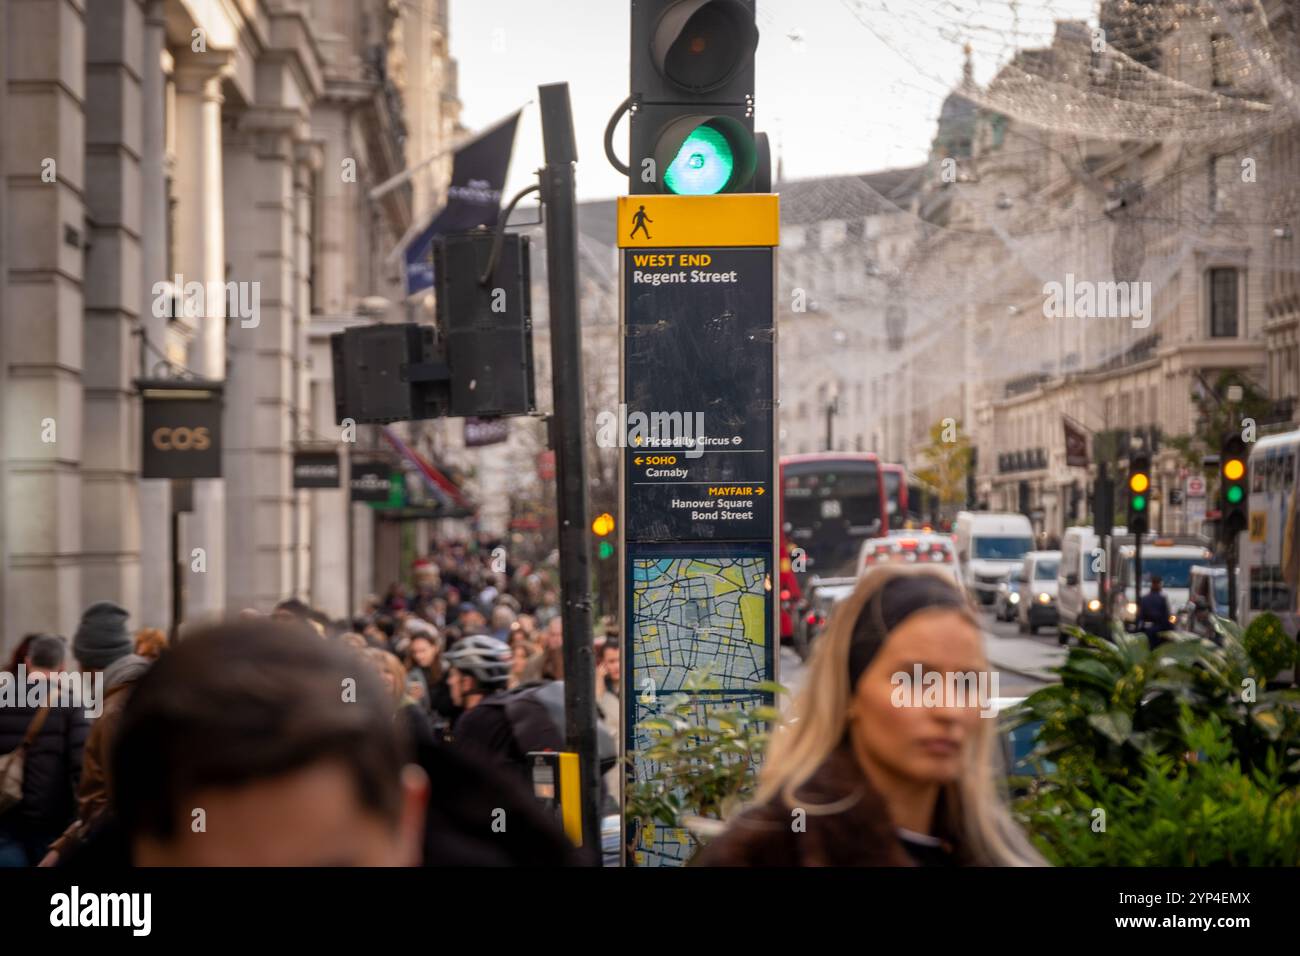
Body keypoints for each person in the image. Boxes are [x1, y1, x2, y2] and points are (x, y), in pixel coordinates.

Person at [694, 566, 1044, 867]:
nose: (948, 709)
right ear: (850, 693)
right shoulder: (766, 853)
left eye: (967, 683)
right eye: (916, 680)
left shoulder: (1000, 853)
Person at [42, 601, 152, 865]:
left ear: (91, 664)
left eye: (79, 661)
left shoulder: (115, 710)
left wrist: (67, 848)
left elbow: (114, 802)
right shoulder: (136, 694)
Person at [0, 635, 89, 866]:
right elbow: (82, 767)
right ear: (62, 667)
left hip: (5, 813)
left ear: (28, 662)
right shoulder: (71, 705)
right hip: (51, 821)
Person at [366, 648, 437, 752]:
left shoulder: (412, 713)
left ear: (397, 675)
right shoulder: (365, 711)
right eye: (376, 672)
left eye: (387, 671)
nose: (382, 677)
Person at [1138, 574, 1172, 650]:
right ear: (1159, 584)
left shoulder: (1144, 598)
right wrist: (1170, 628)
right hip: (1159, 629)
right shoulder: (1162, 599)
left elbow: (1140, 616)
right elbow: (1166, 616)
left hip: (1146, 629)